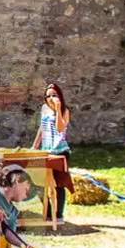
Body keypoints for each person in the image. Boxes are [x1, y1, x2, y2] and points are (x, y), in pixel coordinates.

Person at [31, 82, 72, 223]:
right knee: (39, 183)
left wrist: (58, 109)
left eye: (54, 95)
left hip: (60, 151)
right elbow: (41, 129)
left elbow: (61, 128)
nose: (51, 98)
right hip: (45, 151)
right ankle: (48, 212)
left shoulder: (65, 111)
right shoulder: (44, 109)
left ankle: (58, 214)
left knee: (58, 184)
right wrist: (34, 147)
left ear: (60, 96)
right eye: (48, 96)